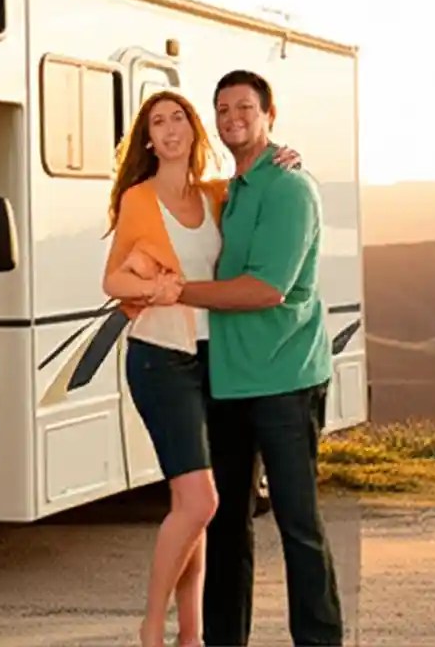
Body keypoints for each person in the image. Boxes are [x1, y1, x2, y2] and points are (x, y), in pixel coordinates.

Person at [101, 89, 299, 647]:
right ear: (148, 139)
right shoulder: (140, 200)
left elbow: (262, 177)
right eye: (157, 122)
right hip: (160, 360)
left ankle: (193, 635)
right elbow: (112, 280)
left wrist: (287, 157)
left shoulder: (218, 195)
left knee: (192, 508)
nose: (169, 130)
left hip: (215, 361)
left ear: (193, 131)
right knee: (203, 501)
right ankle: (151, 627)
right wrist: (155, 289)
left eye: (178, 119)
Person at [164, 69, 344, 647]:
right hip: (231, 380)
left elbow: (267, 288)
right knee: (228, 531)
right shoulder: (231, 191)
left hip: (287, 382)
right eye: (221, 109)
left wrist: (181, 292)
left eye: (244, 107)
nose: (231, 117)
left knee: (299, 528)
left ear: (269, 114)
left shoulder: (291, 188)